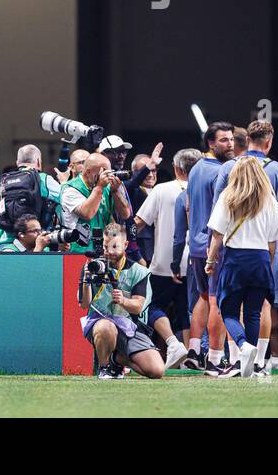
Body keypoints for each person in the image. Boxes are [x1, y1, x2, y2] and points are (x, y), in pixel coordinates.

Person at [205, 156, 278, 378]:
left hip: (235, 259)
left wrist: (210, 262)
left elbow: (217, 236)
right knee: (253, 313)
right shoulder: (269, 200)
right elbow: (272, 241)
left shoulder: (227, 197)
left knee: (228, 310)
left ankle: (242, 346)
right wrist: (266, 265)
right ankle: (247, 364)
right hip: (260, 260)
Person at [133, 147, 199, 362]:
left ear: (176, 168)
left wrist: (122, 236)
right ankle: (192, 355)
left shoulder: (162, 189)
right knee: (188, 309)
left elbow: (140, 222)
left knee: (150, 306)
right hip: (197, 259)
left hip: (163, 262)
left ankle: (172, 342)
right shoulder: (206, 187)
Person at [81, 223, 166, 378]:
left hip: (129, 326)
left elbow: (138, 307)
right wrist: (86, 282)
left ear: (126, 245)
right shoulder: (93, 265)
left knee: (157, 371)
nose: (109, 252)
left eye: (115, 247)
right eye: (106, 247)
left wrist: (123, 301)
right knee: (106, 327)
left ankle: (117, 359)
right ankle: (105, 367)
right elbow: (84, 304)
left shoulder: (138, 271)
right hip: (100, 322)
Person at [184, 121, 233, 373]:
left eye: (232, 139)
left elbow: (189, 207)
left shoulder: (195, 169)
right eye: (224, 140)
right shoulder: (220, 171)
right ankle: (215, 359)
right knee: (218, 302)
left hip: (195, 245)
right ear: (211, 143)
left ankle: (193, 349)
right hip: (214, 245)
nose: (231, 144)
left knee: (204, 298)